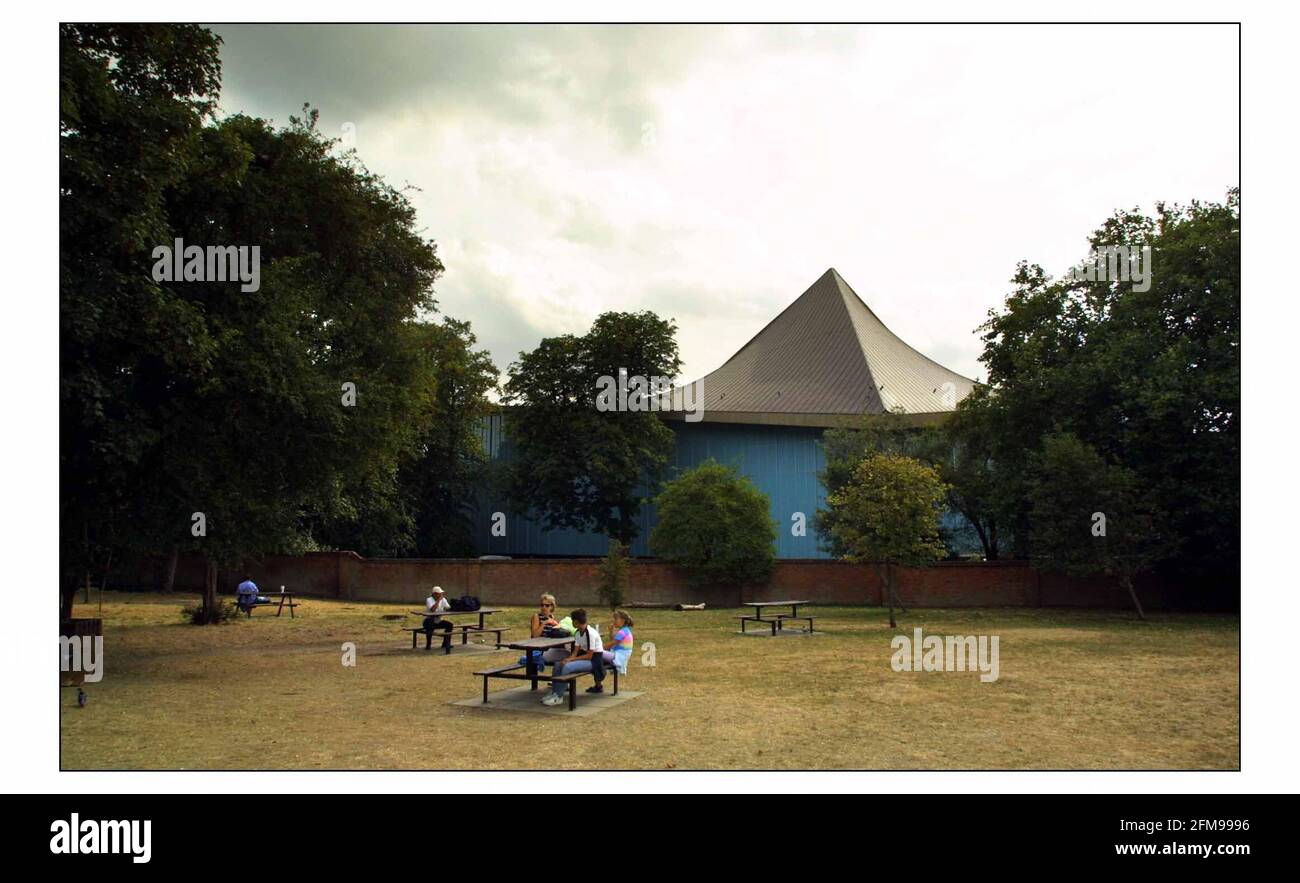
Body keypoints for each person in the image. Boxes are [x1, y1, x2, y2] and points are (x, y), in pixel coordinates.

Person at [541, 609, 602, 706]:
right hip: (584, 658)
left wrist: (572, 660)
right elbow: (575, 651)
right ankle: (554, 692)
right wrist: (568, 659)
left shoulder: (590, 633)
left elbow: (590, 655)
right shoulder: (578, 633)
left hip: (594, 661)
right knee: (558, 664)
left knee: (567, 667)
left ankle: (559, 696)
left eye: (572, 620)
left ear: (576, 622)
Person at [587, 610, 634, 694]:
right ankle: (598, 684)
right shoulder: (624, 630)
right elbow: (613, 641)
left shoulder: (623, 632)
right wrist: (611, 631)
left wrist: (597, 649)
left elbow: (611, 644)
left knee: (596, 655)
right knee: (597, 658)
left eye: (616, 619)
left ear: (622, 620)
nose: (614, 621)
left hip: (619, 656)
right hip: (617, 654)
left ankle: (598, 684)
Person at [520, 594, 560, 668]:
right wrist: (544, 623)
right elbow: (534, 635)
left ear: (552, 606)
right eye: (542, 605)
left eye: (547, 605)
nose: (543, 607)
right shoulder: (536, 616)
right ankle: (531, 659)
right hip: (537, 648)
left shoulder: (551, 616)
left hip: (548, 646)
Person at [423, 586, 454, 652]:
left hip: (438, 620)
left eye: (441, 593)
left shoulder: (443, 599)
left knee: (450, 625)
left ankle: (445, 643)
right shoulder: (429, 599)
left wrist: (448, 608)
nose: (440, 595)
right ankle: (428, 645)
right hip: (429, 620)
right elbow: (433, 609)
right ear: (434, 594)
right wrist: (438, 601)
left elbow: (448, 607)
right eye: (439, 593)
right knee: (430, 627)